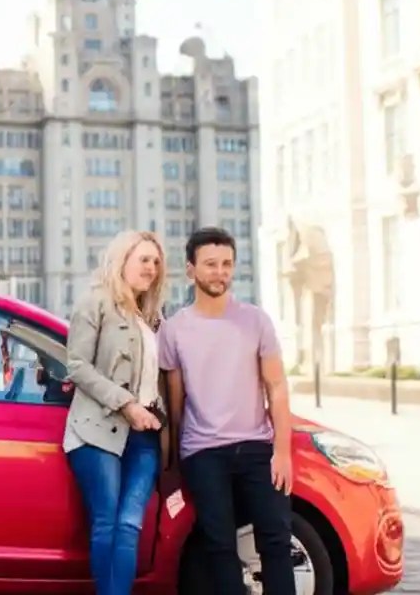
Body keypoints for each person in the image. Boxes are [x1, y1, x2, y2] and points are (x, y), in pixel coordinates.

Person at [158, 226, 296, 595]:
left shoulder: (256, 320)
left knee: (276, 539)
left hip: (256, 446)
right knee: (218, 544)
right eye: (210, 264)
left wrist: (282, 452)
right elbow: (175, 401)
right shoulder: (174, 330)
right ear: (191, 270)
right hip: (202, 452)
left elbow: (277, 386)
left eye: (226, 264)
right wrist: (171, 464)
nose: (220, 272)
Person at [62, 229, 171, 595]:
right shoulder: (95, 302)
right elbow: (77, 365)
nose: (151, 267)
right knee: (107, 521)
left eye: (156, 262)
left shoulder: (154, 316)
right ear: (122, 259)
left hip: (146, 436)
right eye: (144, 259)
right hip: (97, 429)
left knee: (130, 525)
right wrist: (126, 404)